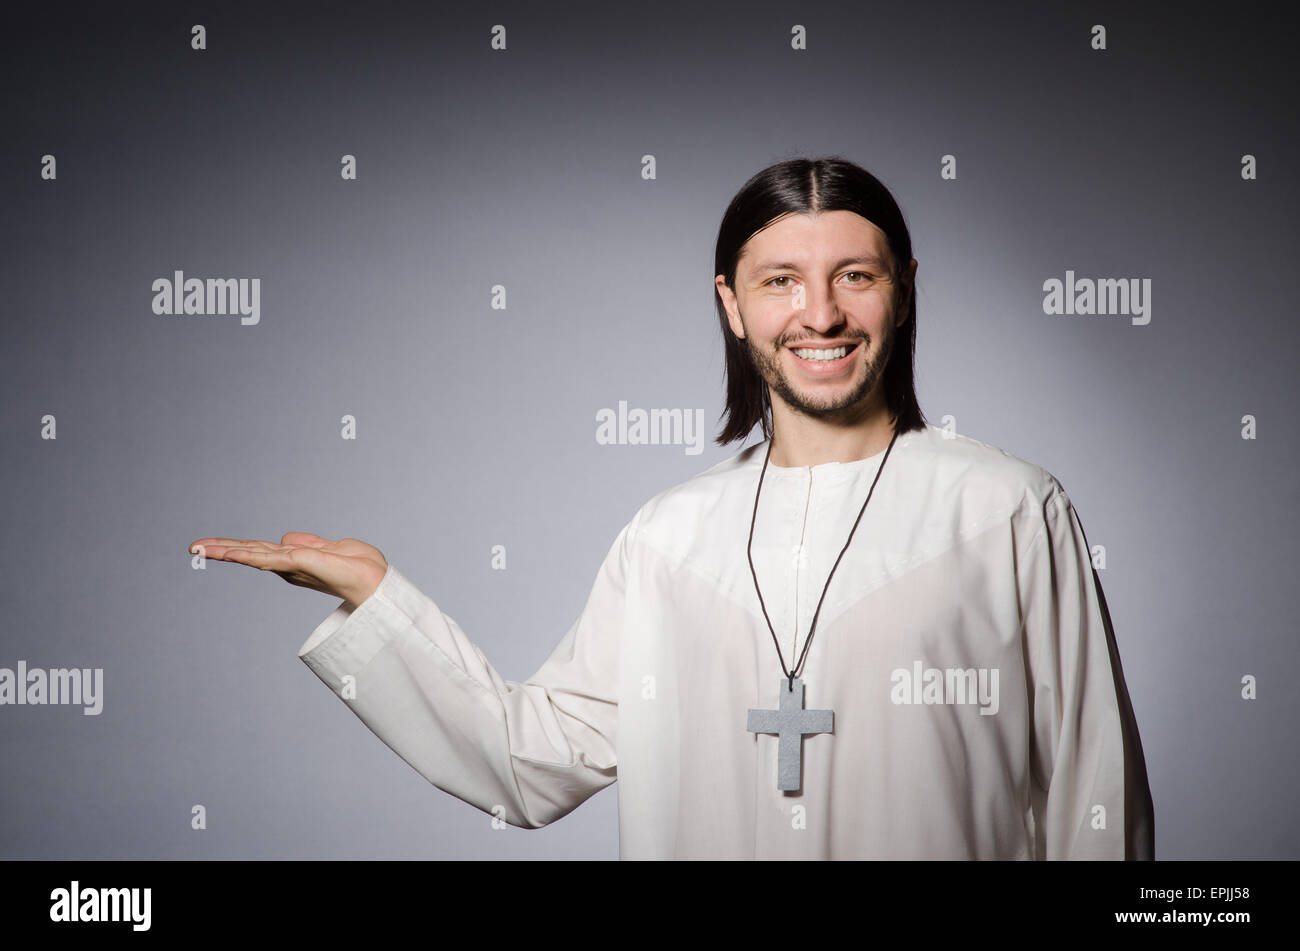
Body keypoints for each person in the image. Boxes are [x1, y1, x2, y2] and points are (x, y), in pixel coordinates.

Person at [190, 156, 1154, 860]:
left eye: (854, 276)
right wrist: (380, 601)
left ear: (901, 295)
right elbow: (533, 762)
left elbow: (1091, 800)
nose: (819, 314)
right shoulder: (669, 537)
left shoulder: (1005, 510)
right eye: (782, 282)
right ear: (734, 307)